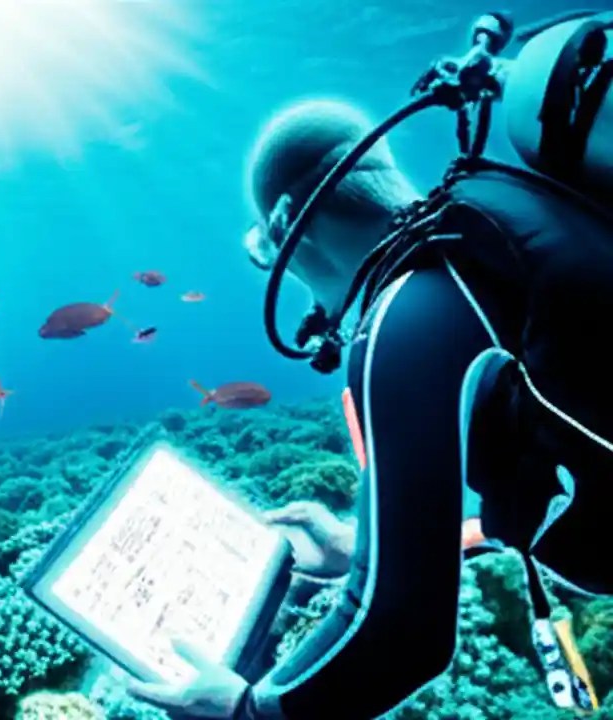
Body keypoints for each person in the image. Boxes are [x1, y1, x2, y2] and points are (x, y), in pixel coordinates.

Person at [126, 31, 613, 718]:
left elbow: (405, 633)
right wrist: (368, 545)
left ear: (290, 223)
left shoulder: (404, 322)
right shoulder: (491, 250)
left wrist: (248, 709)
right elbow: (568, 463)